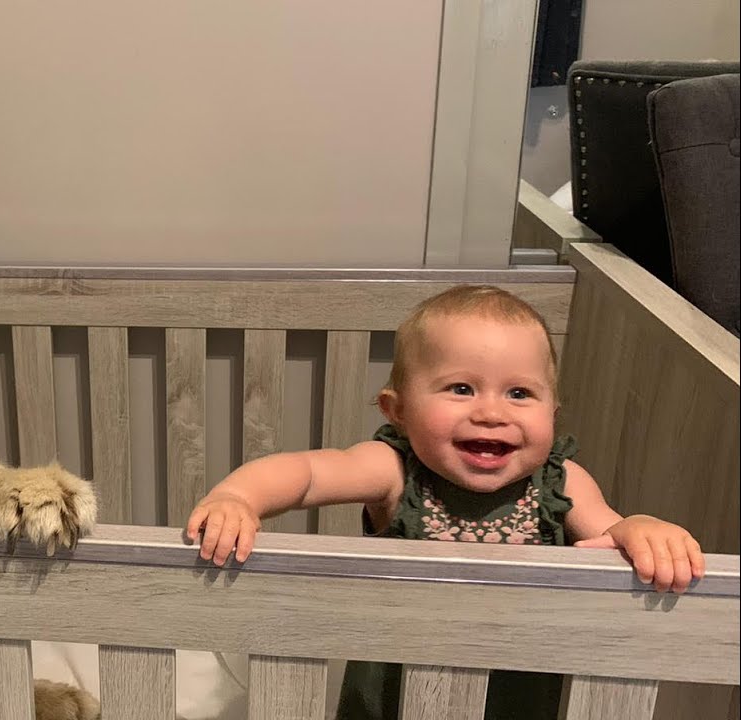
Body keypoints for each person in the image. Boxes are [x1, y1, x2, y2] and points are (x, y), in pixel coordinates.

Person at [184, 285, 706, 720]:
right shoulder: (395, 470)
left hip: (518, 693)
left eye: (520, 394)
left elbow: (611, 529)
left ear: (554, 410)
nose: (491, 412)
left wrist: (643, 527)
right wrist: (239, 496)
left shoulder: (560, 482)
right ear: (399, 410)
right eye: (461, 388)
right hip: (393, 693)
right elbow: (307, 473)